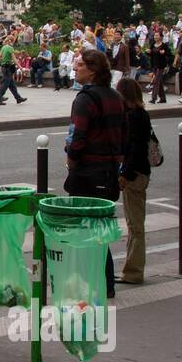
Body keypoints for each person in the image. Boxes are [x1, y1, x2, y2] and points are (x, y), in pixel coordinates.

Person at [65, 47, 128, 299]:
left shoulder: (84, 99)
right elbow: (125, 135)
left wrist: (71, 158)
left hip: (87, 171)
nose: (74, 68)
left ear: (92, 70)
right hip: (108, 171)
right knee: (98, 230)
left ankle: (93, 283)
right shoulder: (115, 96)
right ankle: (106, 283)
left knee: (84, 230)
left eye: (79, 65)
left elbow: (77, 136)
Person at [116, 76, 153, 285]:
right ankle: (132, 269)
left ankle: (133, 271)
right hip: (141, 172)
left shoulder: (132, 117)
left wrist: (124, 174)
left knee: (135, 225)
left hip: (135, 174)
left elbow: (134, 149)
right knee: (135, 224)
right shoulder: (142, 114)